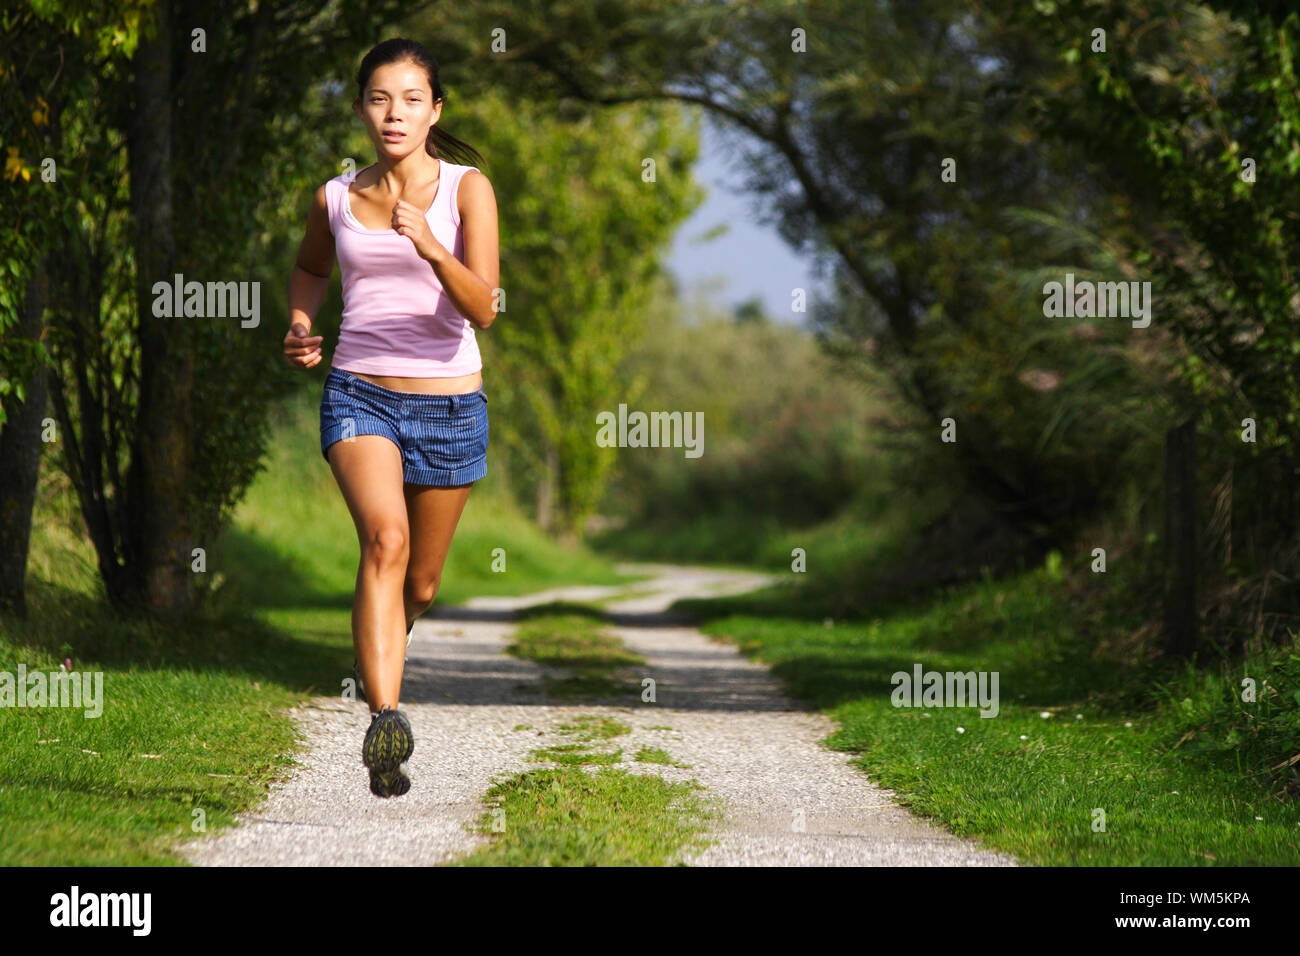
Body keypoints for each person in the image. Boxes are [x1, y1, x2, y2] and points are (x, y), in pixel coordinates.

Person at [282, 38, 499, 798]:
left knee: (424, 584)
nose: (394, 113)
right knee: (386, 540)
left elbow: (485, 307)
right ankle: (385, 720)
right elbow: (311, 269)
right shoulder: (335, 197)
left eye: (411, 99)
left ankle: (380, 649)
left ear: (436, 109)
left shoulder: (468, 189)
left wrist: (435, 248)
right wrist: (303, 324)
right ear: (362, 108)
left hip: (449, 403)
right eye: (379, 98)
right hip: (359, 393)